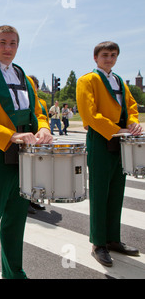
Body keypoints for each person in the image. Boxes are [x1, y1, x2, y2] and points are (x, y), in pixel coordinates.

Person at [0, 25, 52, 279]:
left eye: (13, 43)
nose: (8, 48)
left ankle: (14, 272)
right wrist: (10, 135)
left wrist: (44, 128)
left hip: (26, 150)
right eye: (2, 42)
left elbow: (38, 111)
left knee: (17, 217)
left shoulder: (23, 76)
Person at [76, 41, 142, 267]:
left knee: (116, 192)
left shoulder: (119, 81)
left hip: (121, 141)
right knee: (100, 192)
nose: (109, 59)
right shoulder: (88, 80)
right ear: (95, 57)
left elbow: (132, 106)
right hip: (101, 139)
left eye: (113, 55)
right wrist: (117, 130)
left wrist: (133, 123)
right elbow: (89, 114)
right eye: (105, 55)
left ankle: (113, 239)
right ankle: (98, 243)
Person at [27, 75, 47, 214]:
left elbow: (43, 118)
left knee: (37, 174)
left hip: (39, 141)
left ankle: (34, 199)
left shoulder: (42, 102)